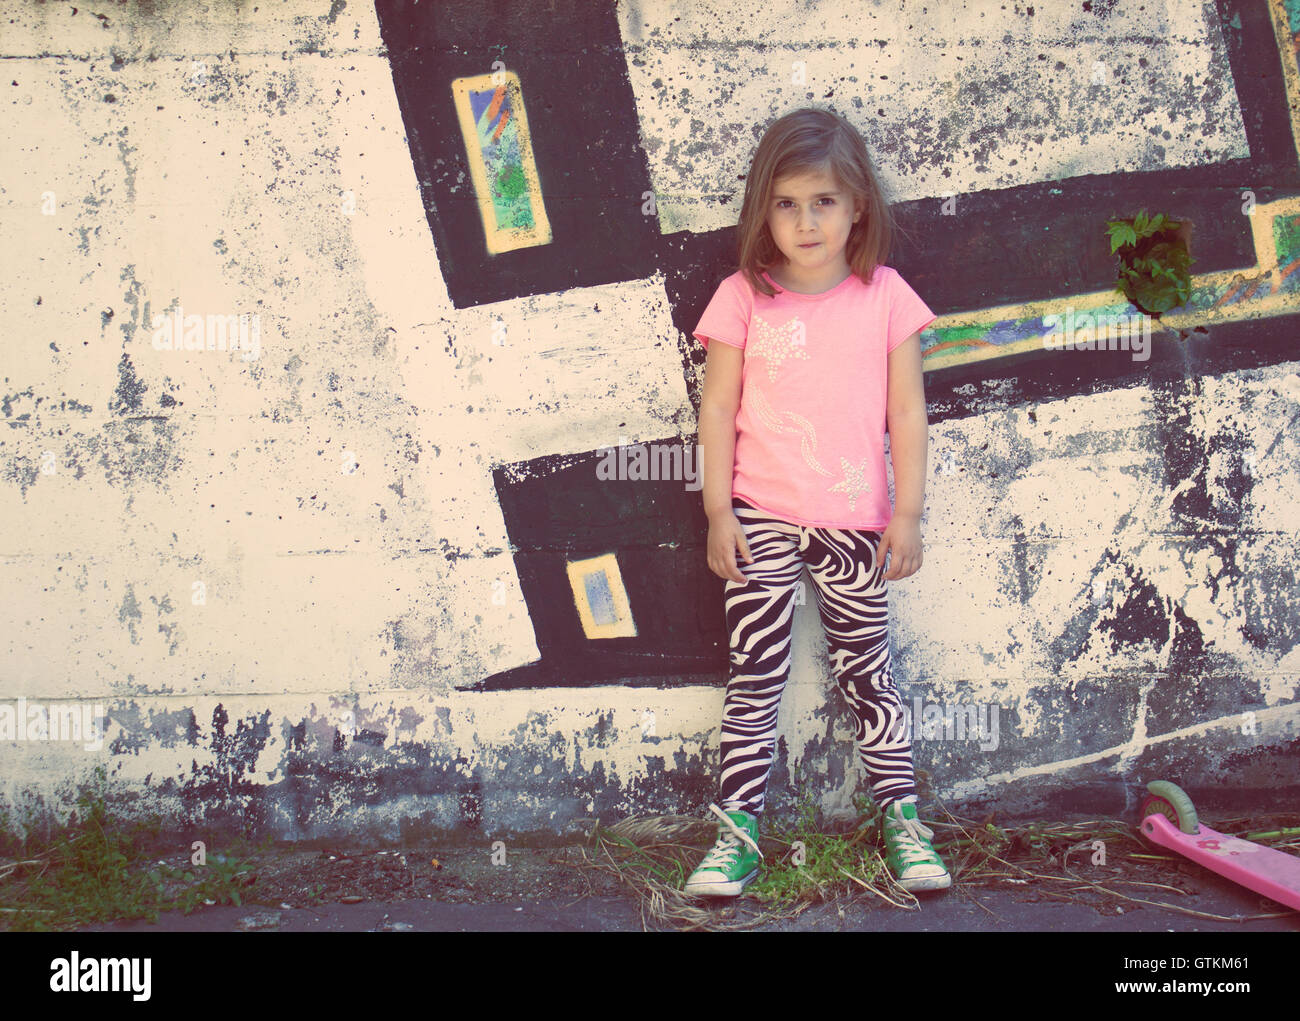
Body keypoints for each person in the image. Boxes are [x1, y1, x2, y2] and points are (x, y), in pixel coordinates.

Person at [684, 107, 949, 898]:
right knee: (754, 675)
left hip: (854, 527)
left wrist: (906, 514)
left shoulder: (886, 298)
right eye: (788, 203)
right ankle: (735, 834)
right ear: (764, 209)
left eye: (824, 202)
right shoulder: (742, 299)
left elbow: (907, 411)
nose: (806, 221)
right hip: (759, 519)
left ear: (858, 205)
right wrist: (717, 510)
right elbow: (717, 408)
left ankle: (902, 819)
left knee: (868, 672)